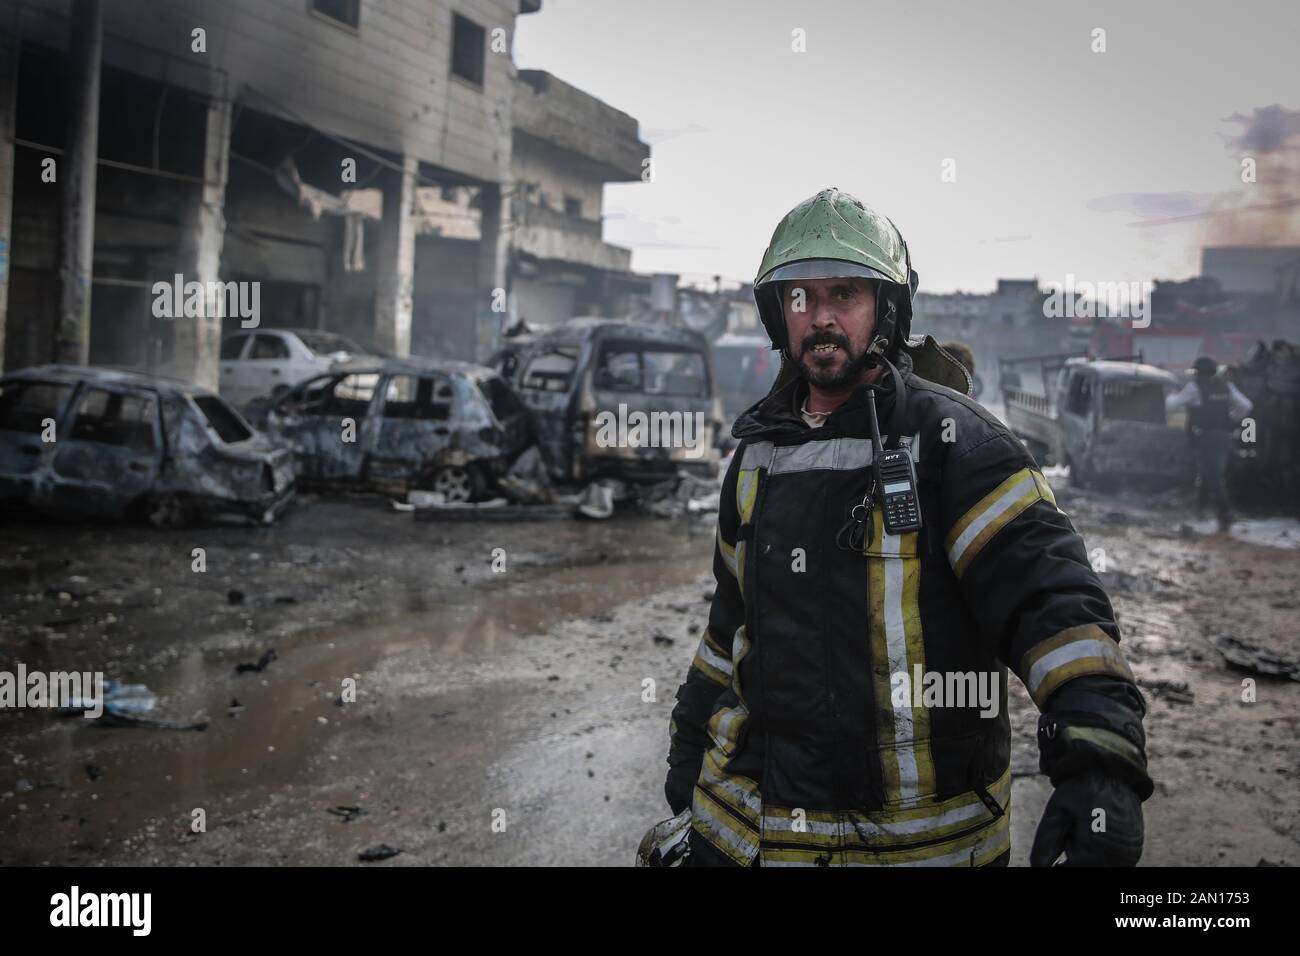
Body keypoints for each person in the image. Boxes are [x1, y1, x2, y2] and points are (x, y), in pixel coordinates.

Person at [654, 188, 1152, 867]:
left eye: (844, 294)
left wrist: (1101, 760)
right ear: (778, 314)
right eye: (800, 297)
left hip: (917, 850)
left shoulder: (955, 443)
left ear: (886, 310)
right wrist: (690, 743)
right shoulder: (756, 456)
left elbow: (1051, 603)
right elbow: (729, 625)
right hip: (747, 836)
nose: (820, 316)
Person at [1166, 356, 1252, 531]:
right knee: (1208, 473)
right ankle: (1201, 508)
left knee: (1213, 476)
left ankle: (1226, 512)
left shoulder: (1194, 387)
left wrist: (1170, 395)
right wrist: (1232, 419)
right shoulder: (1226, 386)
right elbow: (1246, 405)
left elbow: (1172, 406)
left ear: (1199, 373)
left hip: (1206, 438)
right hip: (1224, 437)